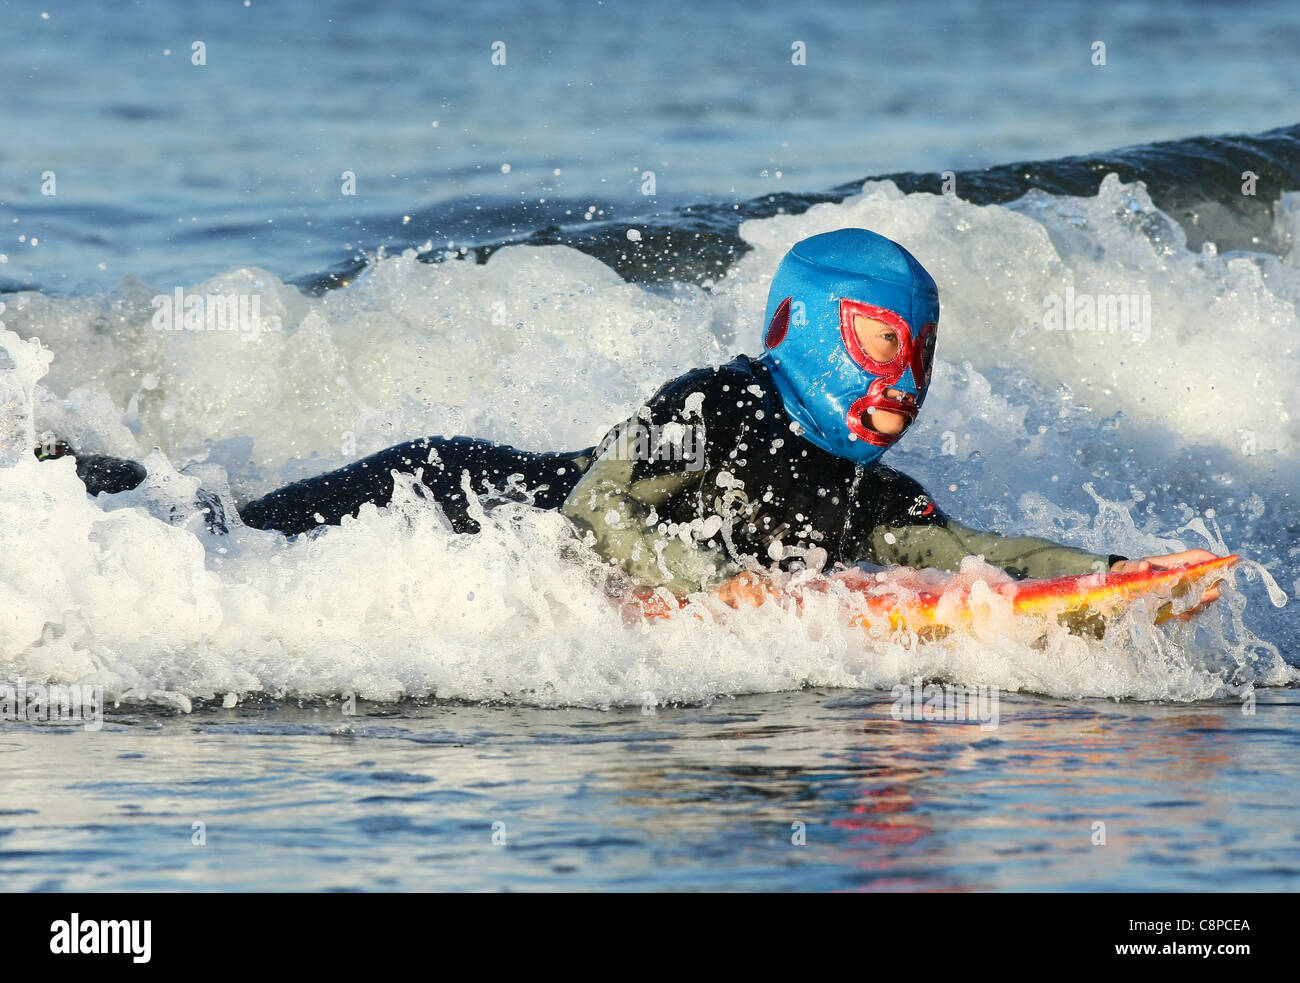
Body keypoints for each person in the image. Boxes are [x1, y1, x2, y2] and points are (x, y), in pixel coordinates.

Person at [37, 228, 1219, 608]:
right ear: (797, 327)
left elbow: (968, 556)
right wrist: (720, 590)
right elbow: (602, 511)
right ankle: (47, 479)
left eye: (921, 361)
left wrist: (1116, 577)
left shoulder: (861, 485)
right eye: (878, 346)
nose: (901, 384)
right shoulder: (712, 406)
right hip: (444, 496)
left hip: (480, 509)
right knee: (211, 531)